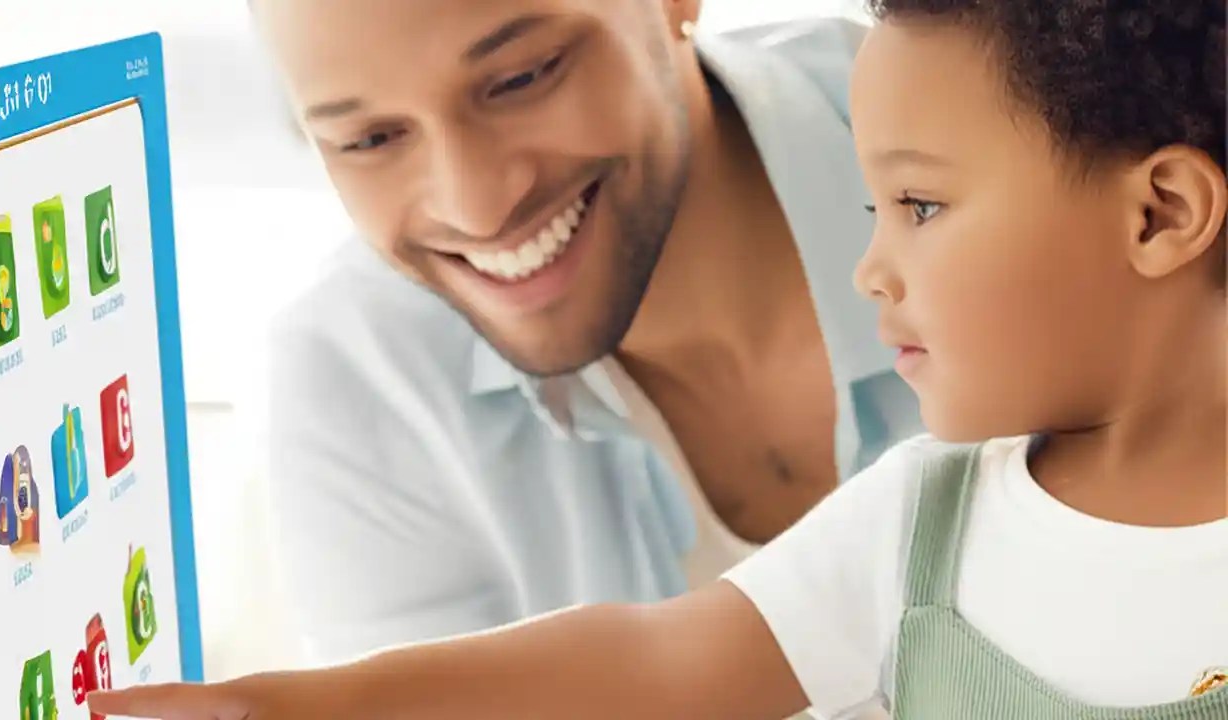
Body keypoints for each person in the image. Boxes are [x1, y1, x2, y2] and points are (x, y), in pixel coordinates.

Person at [93, 0, 1228, 717]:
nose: (865, 267)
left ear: (1160, 213)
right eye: (365, 137)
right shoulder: (919, 522)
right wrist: (289, 710)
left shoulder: (964, 80)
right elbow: (645, 665)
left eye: (521, 74)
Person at [253, 0, 922, 665]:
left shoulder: (994, 141)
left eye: (523, 77)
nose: (476, 207)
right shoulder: (361, 380)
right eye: (370, 140)